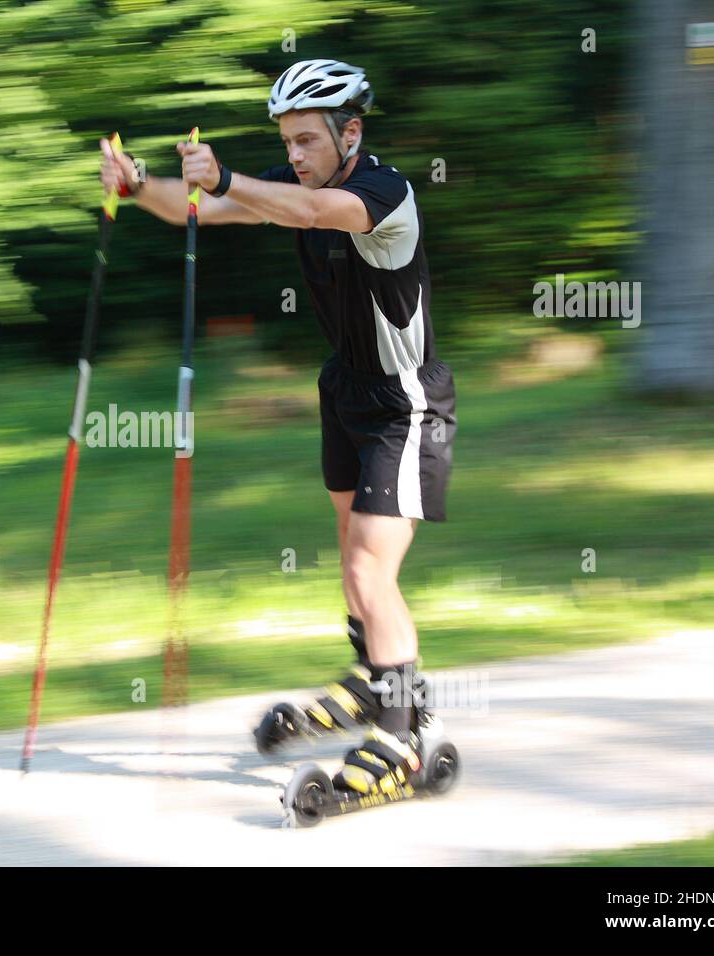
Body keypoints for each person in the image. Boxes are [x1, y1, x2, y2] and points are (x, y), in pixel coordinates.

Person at [99, 59, 456, 801]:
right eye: (286, 142)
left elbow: (315, 212)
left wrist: (227, 178)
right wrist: (137, 184)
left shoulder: (383, 193)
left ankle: (400, 738)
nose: (294, 155)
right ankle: (376, 679)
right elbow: (200, 210)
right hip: (345, 390)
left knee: (371, 570)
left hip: (405, 402)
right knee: (350, 562)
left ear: (350, 133)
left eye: (306, 140)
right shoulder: (294, 186)